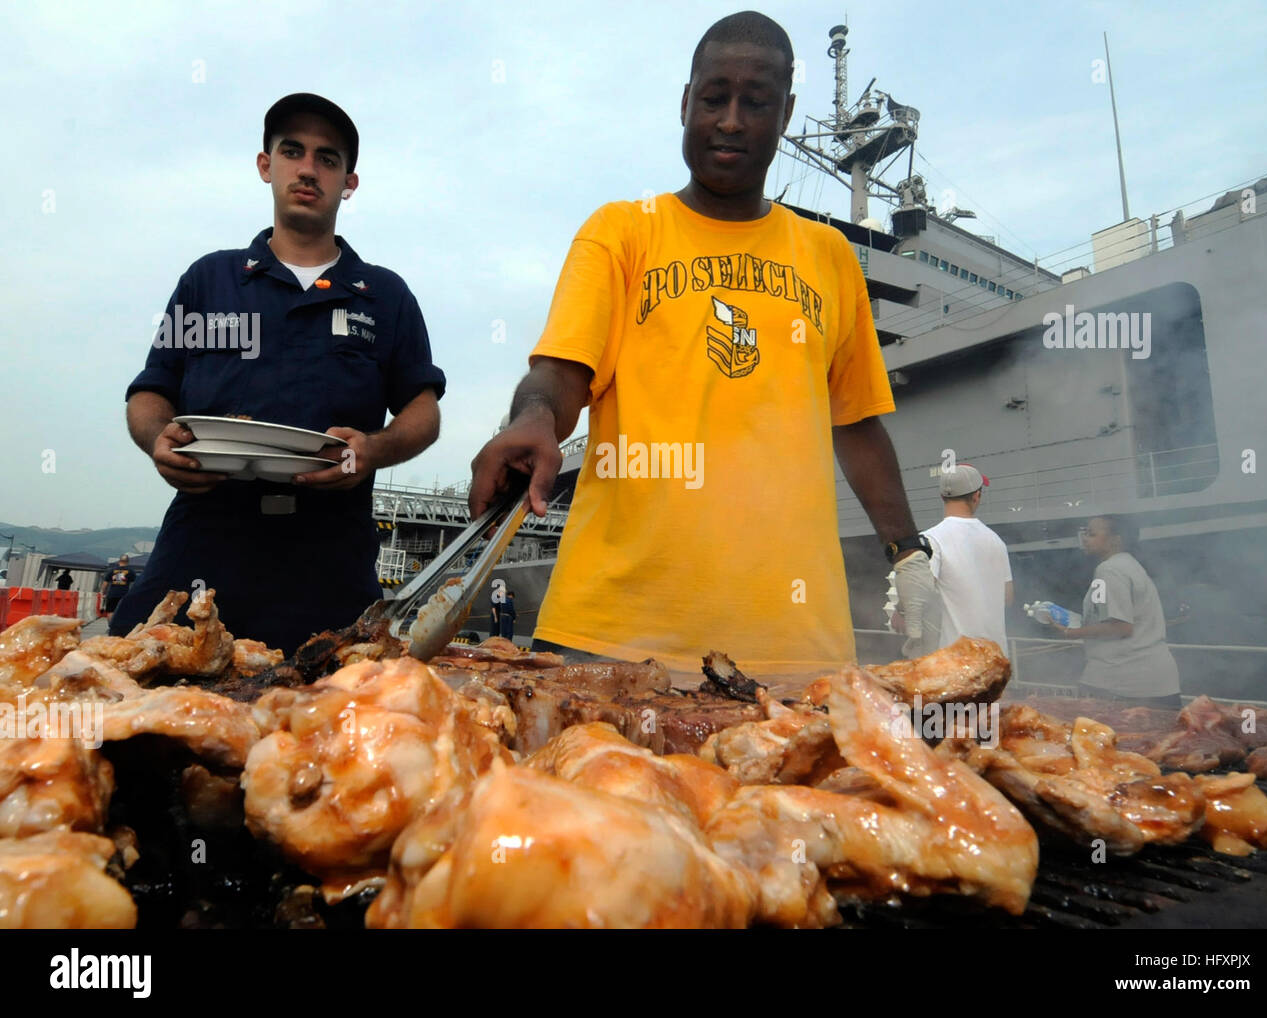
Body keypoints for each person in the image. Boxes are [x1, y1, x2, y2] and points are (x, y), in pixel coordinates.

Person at [468, 12, 935, 674]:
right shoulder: (622, 232)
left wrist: (908, 552)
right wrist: (535, 417)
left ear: (787, 113)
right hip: (609, 638)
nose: (733, 120)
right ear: (686, 101)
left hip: (796, 652)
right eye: (715, 97)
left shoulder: (830, 256)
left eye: (758, 102)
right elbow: (561, 372)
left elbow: (857, 424)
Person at [111, 94, 445, 652]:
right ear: (266, 165)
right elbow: (151, 390)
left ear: (349, 182)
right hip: (202, 547)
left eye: (328, 158)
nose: (309, 168)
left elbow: (424, 410)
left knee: (330, 716)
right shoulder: (209, 281)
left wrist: (372, 450)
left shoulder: (384, 295)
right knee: (134, 700)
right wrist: (157, 441)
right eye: (293, 152)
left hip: (330, 561)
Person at [1055, 515, 1181, 709]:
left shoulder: (1109, 570)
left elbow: (1121, 626)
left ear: (1116, 540)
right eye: (1085, 533)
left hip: (1124, 683)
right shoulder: (1130, 565)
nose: (1085, 539)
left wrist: (1070, 633)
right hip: (1154, 682)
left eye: (1092, 534)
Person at [917, 465, 1014, 656]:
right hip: (996, 659)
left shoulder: (930, 539)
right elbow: (1008, 597)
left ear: (942, 497)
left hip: (956, 661)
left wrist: (900, 611)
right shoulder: (996, 541)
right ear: (977, 496)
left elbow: (921, 596)